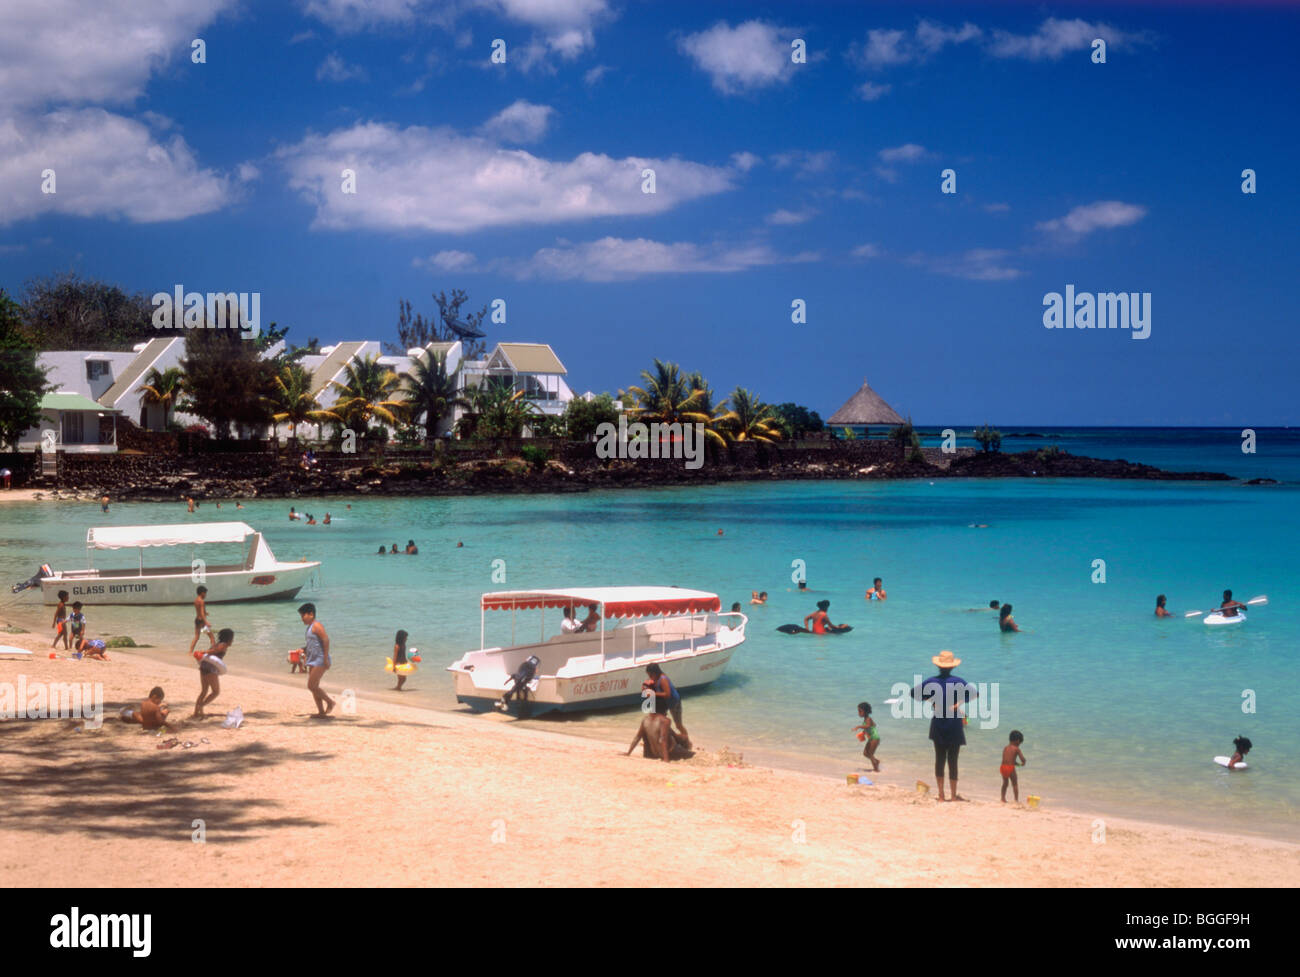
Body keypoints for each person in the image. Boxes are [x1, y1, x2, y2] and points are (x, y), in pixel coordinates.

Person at [911, 649, 976, 802]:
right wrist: (958, 703)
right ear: (953, 667)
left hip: (938, 723)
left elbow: (913, 693)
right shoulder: (959, 681)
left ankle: (941, 795)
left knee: (939, 759)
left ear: (938, 666)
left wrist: (930, 700)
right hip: (954, 723)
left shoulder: (931, 681)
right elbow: (975, 694)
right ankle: (953, 795)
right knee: (953, 761)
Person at [298, 603, 334, 717]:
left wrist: (325, 658)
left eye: (303, 615)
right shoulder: (309, 628)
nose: (302, 618)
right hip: (313, 659)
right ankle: (321, 712)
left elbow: (326, 639)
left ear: (311, 614)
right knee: (315, 687)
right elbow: (313, 643)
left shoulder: (316, 625)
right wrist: (303, 649)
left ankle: (330, 702)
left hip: (320, 659)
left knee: (311, 686)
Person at [644, 663, 689, 746]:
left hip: (674, 703)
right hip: (665, 703)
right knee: (658, 721)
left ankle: (686, 741)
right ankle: (663, 739)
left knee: (678, 725)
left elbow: (667, 694)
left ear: (654, 673)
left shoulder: (663, 679)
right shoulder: (655, 678)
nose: (649, 677)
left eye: (650, 675)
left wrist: (653, 694)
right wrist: (645, 685)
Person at [192, 628, 233, 718]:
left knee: (204, 691)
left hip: (204, 667)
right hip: (210, 669)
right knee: (216, 692)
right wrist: (204, 652)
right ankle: (201, 706)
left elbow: (214, 648)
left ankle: (196, 713)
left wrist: (209, 635)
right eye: (232, 638)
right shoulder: (224, 645)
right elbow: (215, 651)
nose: (232, 641)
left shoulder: (218, 644)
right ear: (229, 638)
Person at [1000, 730, 1026, 802]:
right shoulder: (1017, 749)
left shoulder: (1006, 748)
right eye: (1020, 743)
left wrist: (1017, 764)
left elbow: (1008, 759)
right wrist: (1023, 762)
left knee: (1005, 783)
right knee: (1014, 784)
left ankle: (1003, 798)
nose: (1019, 744)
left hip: (1002, 767)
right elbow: (1022, 759)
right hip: (1010, 768)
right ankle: (1016, 800)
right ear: (1018, 741)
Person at [854, 702, 880, 771]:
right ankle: (876, 761)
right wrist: (864, 733)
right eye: (858, 711)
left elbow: (868, 725)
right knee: (865, 753)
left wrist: (859, 726)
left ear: (865, 711)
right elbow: (873, 725)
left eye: (860, 711)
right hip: (871, 738)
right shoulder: (866, 719)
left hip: (875, 738)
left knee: (870, 754)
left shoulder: (868, 719)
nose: (858, 713)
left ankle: (876, 770)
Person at [188, 586, 211, 656]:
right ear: (202, 593)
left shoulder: (196, 600)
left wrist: (205, 612)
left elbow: (199, 611)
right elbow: (201, 613)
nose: (206, 595)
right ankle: (213, 651)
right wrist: (206, 622)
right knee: (211, 637)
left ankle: (190, 652)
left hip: (197, 620)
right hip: (202, 622)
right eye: (205, 593)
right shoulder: (202, 601)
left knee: (197, 637)